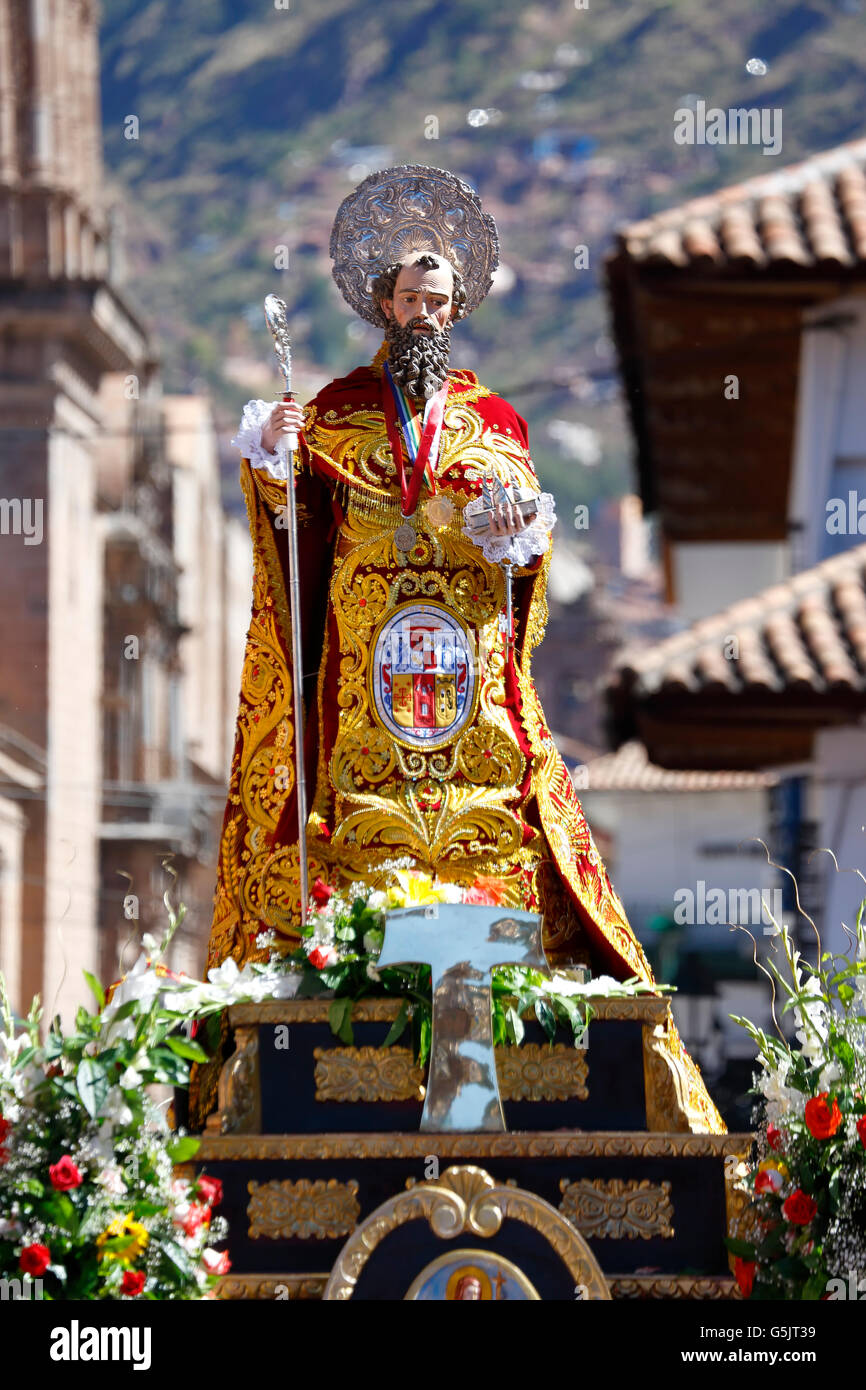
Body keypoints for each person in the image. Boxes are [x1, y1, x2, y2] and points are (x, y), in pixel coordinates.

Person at [195, 166, 723, 1134]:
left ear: (457, 309)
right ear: (382, 305)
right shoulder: (333, 417)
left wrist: (517, 522)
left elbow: (525, 544)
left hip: (463, 715)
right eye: (410, 299)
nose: (425, 317)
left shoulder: (494, 423)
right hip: (365, 721)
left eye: (440, 302)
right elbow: (293, 537)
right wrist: (270, 460)